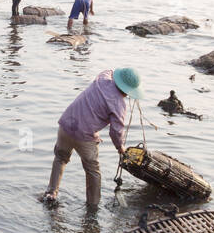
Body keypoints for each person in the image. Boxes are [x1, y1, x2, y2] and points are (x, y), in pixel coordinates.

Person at [41, 67, 145, 209]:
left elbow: (109, 71)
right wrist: (120, 147)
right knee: (93, 171)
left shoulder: (102, 79)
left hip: (66, 124)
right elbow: (116, 131)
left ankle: (51, 193)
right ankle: (93, 206)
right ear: (128, 91)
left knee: (60, 158)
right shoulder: (119, 105)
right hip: (84, 137)